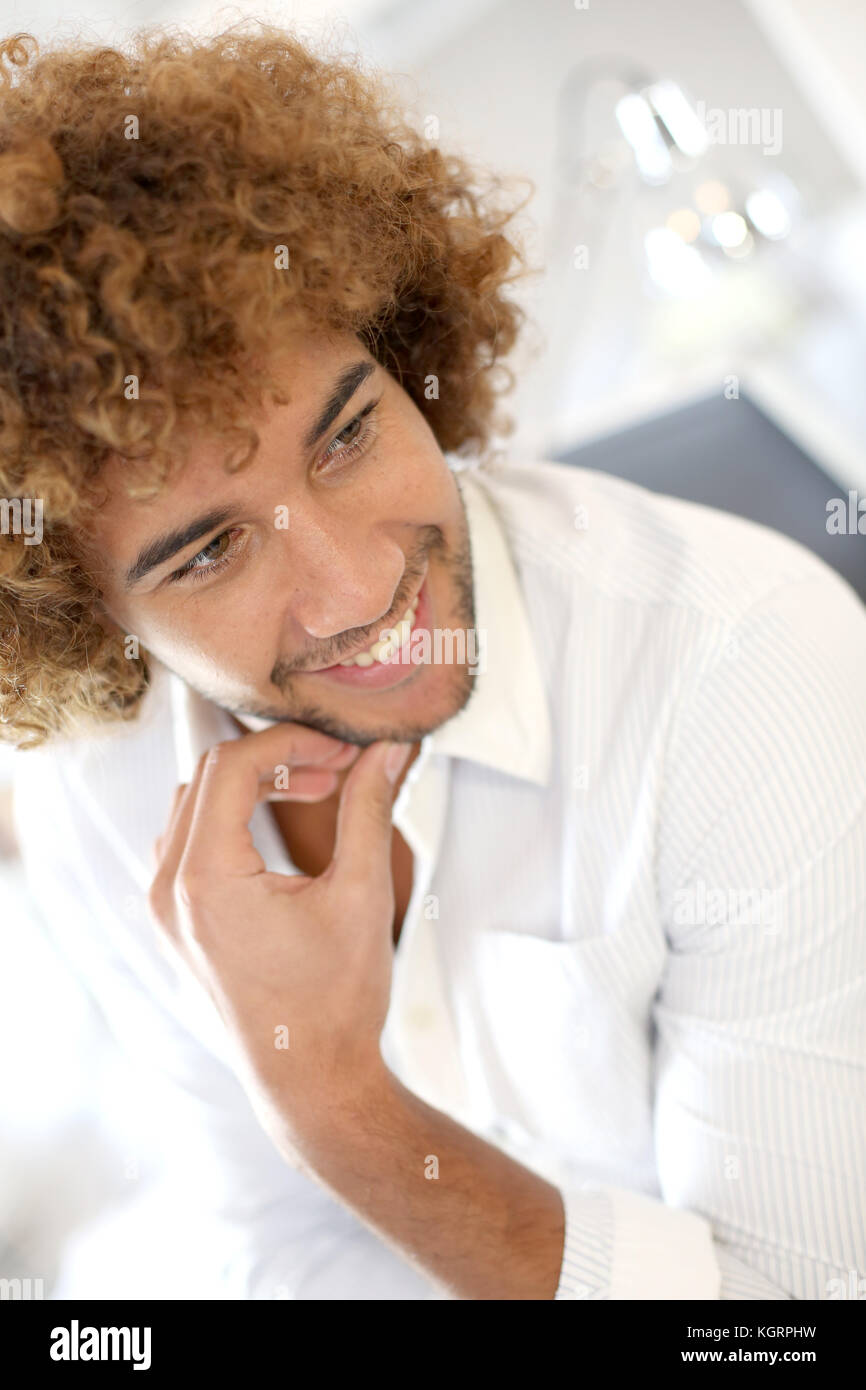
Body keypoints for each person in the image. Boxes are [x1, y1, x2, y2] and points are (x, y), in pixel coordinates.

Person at [3, 24, 865, 1301]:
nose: (360, 588)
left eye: (346, 435)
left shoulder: (747, 671)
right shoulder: (99, 787)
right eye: (208, 555)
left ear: (407, 353)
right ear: (79, 611)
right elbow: (280, 1250)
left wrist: (334, 1097)